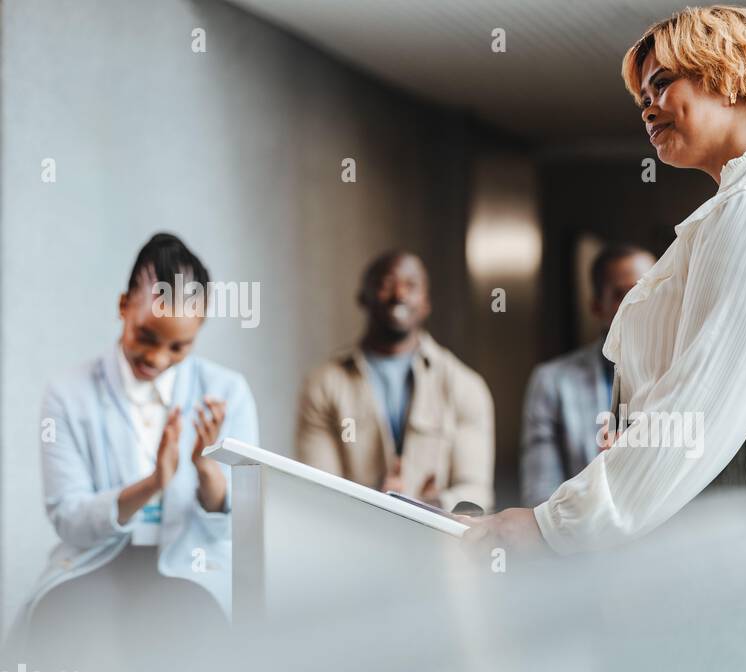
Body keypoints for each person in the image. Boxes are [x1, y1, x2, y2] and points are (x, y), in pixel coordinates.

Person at [465, 5, 746, 556]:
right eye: (642, 97)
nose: (648, 108)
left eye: (661, 85)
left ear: (728, 76)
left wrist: (556, 526)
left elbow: (703, 404)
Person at [18, 232, 258, 642]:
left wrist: (206, 470)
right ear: (123, 306)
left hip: (191, 566)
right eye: (146, 336)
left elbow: (241, 527)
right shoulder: (68, 393)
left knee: (192, 631)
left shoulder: (228, 392)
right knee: (65, 630)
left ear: (198, 331)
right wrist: (153, 485)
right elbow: (69, 519)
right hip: (93, 562)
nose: (157, 358)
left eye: (179, 347)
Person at [296, 250, 495, 512]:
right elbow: (315, 491)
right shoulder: (323, 385)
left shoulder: (465, 386)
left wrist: (428, 507)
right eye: (385, 284)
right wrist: (377, 503)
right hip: (352, 542)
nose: (399, 294)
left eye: (411, 286)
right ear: (363, 299)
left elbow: (477, 492)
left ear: (426, 302)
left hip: (438, 545)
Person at [519, 244, 655, 506]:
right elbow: (539, 497)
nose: (637, 302)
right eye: (620, 294)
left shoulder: (685, 372)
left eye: (647, 289)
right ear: (596, 307)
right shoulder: (552, 383)